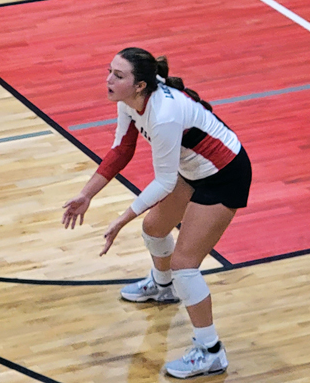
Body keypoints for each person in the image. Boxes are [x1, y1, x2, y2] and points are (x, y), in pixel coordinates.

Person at [62, 47, 251, 379]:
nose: (108, 79)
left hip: (224, 175)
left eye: (118, 76)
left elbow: (163, 181)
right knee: (154, 229)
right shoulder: (131, 101)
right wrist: (86, 194)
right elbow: (122, 148)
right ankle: (163, 288)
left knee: (185, 265)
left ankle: (211, 352)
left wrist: (121, 218)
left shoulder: (163, 114)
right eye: (109, 71)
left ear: (139, 85)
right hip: (193, 170)